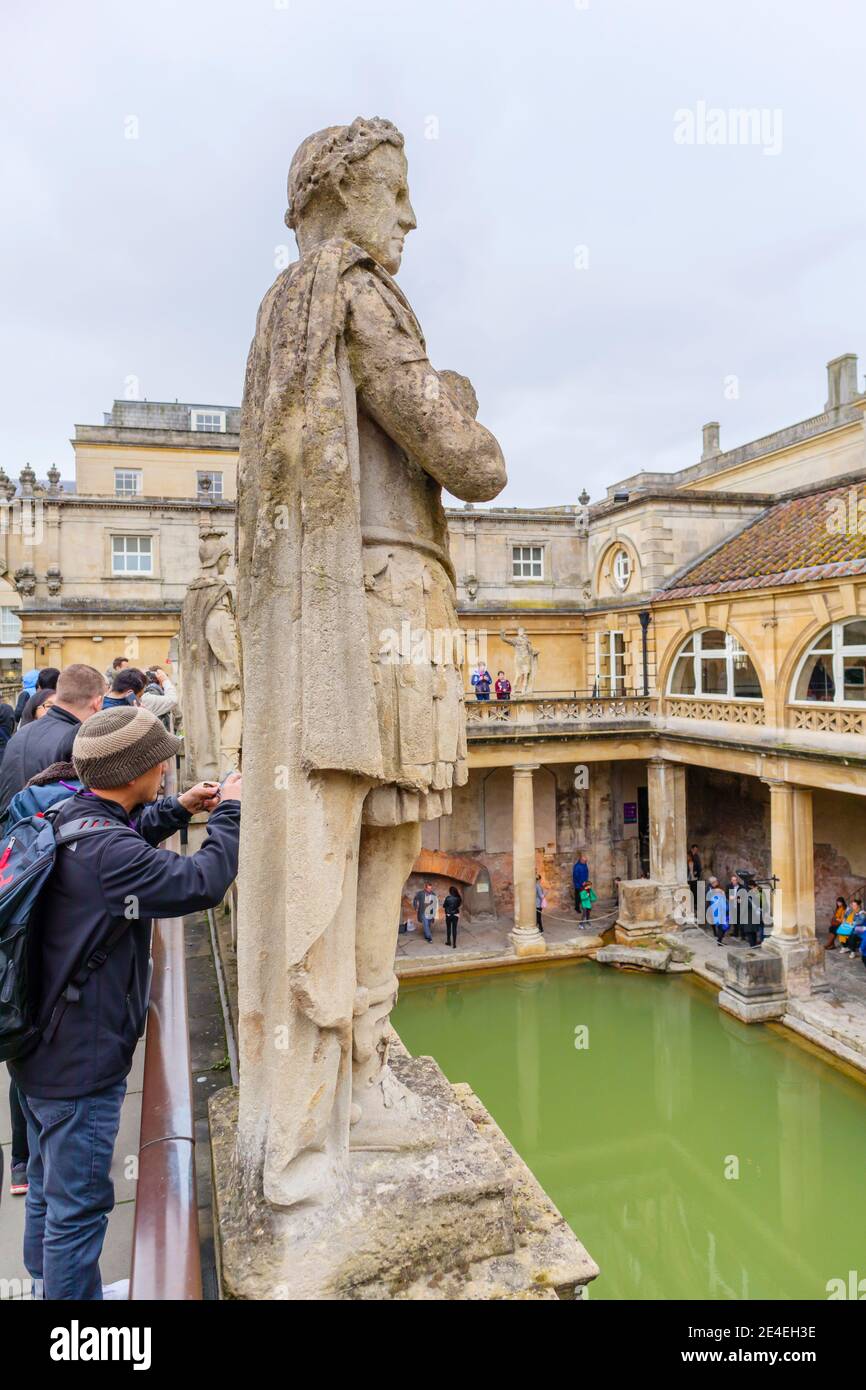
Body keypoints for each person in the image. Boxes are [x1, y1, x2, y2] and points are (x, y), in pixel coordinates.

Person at [10, 706, 242, 1301]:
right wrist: (233, 815)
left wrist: (181, 808)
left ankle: (46, 1287)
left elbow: (126, 840)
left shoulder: (68, 813)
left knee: (45, 1183)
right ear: (142, 769)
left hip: (37, 1048)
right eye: (162, 759)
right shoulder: (108, 854)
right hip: (79, 1065)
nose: (167, 766)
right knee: (79, 1209)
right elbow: (201, 883)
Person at [0, 664, 106, 820]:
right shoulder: (77, 740)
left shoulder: (20, 734)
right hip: (47, 836)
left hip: (12, 835)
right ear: (97, 703)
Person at [707, 877, 728, 944]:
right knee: (722, 926)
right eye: (715, 882)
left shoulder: (717, 889)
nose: (717, 882)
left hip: (719, 910)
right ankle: (719, 941)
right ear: (712, 883)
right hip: (718, 910)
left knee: (722, 926)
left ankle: (719, 940)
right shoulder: (713, 890)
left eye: (716, 881)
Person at [443, 884, 462, 948]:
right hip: (456, 914)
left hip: (448, 915)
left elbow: (444, 906)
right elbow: (458, 905)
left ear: (450, 891)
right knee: (454, 929)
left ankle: (449, 941)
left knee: (448, 928)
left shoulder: (448, 898)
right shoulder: (459, 898)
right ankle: (454, 944)